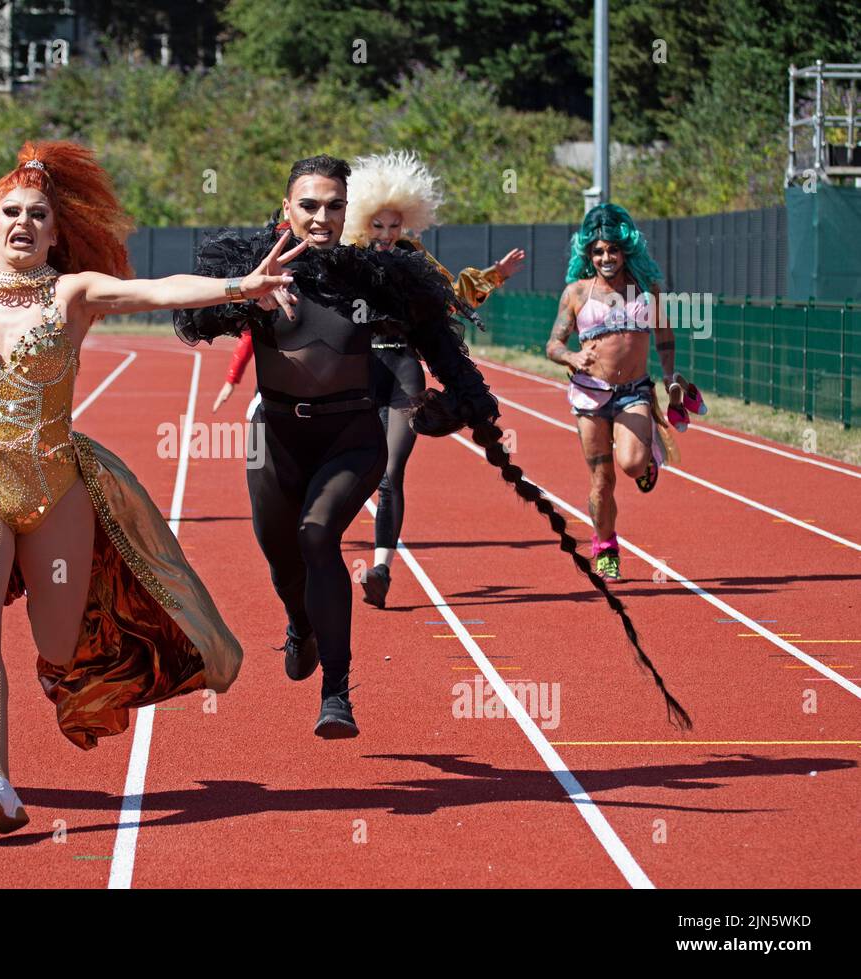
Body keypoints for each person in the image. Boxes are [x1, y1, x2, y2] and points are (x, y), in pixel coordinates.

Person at [0, 141, 298, 835]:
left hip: (57, 484)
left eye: (37, 214)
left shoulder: (75, 294)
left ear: (56, 231)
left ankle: (57, 668)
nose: (23, 224)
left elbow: (158, 291)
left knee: (59, 645)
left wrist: (240, 288)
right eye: (11, 213)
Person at [176, 155, 692, 736]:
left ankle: (337, 695)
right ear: (288, 205)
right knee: (280, 555)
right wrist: (248, 297)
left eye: (335, 206)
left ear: (350, 208)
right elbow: (191, 322)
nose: (322, 218)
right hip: (273, 436)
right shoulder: (252, 265)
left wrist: (472, 402)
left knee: (317, 536)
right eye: (309, 206)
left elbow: (441, 343)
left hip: (351, 434)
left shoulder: (378, 275)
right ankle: (300, 626)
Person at [340, 150, 526, 608]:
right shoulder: (345, 262)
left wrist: (495, 276)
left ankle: (381, 567)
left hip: (404, 371)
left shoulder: (414, 259)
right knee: (348, 473)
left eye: (395, 226)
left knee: (391, 472)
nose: (386, 235)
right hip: (356, 376)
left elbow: (451, 296)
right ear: (363, 222)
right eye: (378, 226)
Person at [545, 203, 693, 580]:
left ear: (626, 249)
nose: (605, 257)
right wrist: (572, 357)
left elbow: (664, 337)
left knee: (630, 464)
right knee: (601, 480)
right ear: (588, 254)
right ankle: (605, 547)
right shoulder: (576, 292)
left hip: (633, 393)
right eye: (597, 251)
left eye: (612, 249)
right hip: (589, 394)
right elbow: (553, 344)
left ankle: (647, 460)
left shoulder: (647, 291)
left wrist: (671, 376)